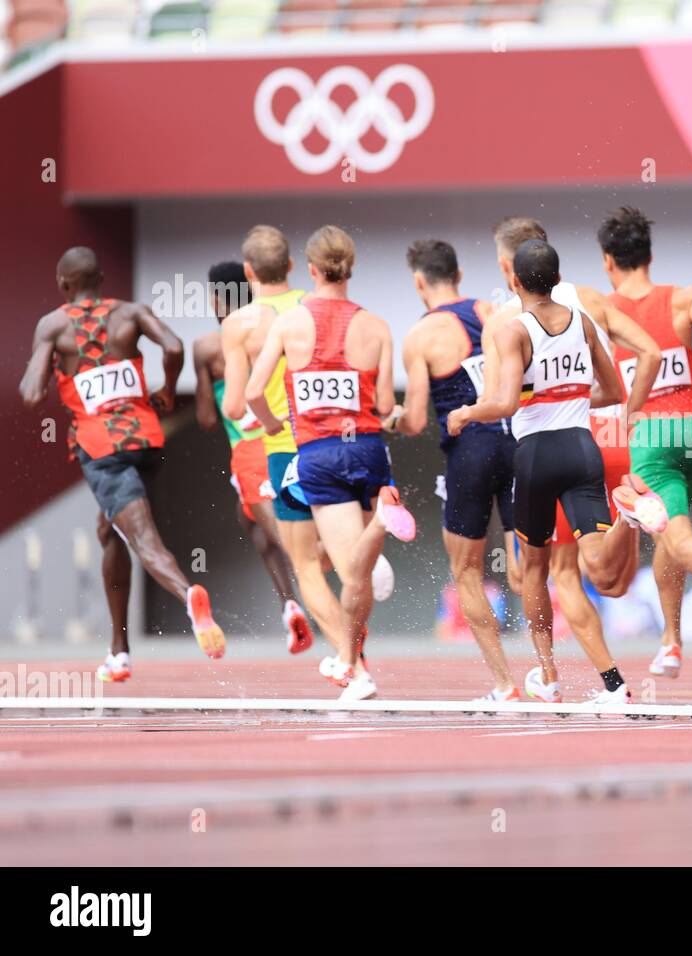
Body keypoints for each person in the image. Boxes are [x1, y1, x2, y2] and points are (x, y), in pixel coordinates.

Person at [449, 239, 660, 705]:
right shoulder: (581, 321)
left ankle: (547, 674)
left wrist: (465, 413)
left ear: (516, 281)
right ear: (558, 277)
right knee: (596, 558)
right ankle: (628, 519)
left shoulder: (513, 330)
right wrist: (569, 397)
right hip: (583, 447)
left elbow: (503, 403)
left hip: (537, 455)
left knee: (533, 570)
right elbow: (612, 390)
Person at [20, 247, 225, 680]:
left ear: (63, 283)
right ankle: (120, 650)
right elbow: (172, 345)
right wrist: (167, 389)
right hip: (146, 440)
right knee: (109, 528)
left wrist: (50, 356)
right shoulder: (132, 312)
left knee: (143, 539)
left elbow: (31, 393)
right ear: (99, 278)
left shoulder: (53, 325)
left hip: (102, 448)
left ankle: (191, 600)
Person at [245, 225, 417, 702]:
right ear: (351, 268)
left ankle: (355, 670)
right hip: (368, 450)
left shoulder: (289, 324)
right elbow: (384, 407)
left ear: (312, 270)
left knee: (343, 570)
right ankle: (351, 659)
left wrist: (273, 425)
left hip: (319, 454)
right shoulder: (377, 326)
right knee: (354, 570)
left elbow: (252, 392)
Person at [221, 225, 383, 687]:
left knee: (305, 566)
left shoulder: (241, 325)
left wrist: (269, 422)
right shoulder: (316, 306)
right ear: (294, 267)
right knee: (329, 554)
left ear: (248, 272)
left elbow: (235, 405)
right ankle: (362, 556)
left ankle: (353, 664)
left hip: (282, 451)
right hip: (336, 440)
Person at [596, 206, 692, 679]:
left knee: (676, 536)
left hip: (653, 437)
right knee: (668, 528)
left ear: (608, 261)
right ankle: (671, 642)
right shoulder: (684, 298)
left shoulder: (605, 310)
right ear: (650, 256)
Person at [391, 238, 520, 701]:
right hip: (516, 438)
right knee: (529, 563)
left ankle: (506, 684)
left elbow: (416, 419)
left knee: (466, 570)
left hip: (470, 450)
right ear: (459, 275)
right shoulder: (492, 311)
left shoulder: (420, 337)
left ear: (418, 282)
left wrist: (388, 416)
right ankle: (548, 672)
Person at [194, 260, 313, 654]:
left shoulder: (209, 347)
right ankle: (289, 604)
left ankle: (320, 609)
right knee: (253, 521)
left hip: (250, 448)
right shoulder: (275, 327)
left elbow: (209, 419)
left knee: (289, 540)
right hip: (288, 438)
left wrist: (208, 384)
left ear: (216, 298)